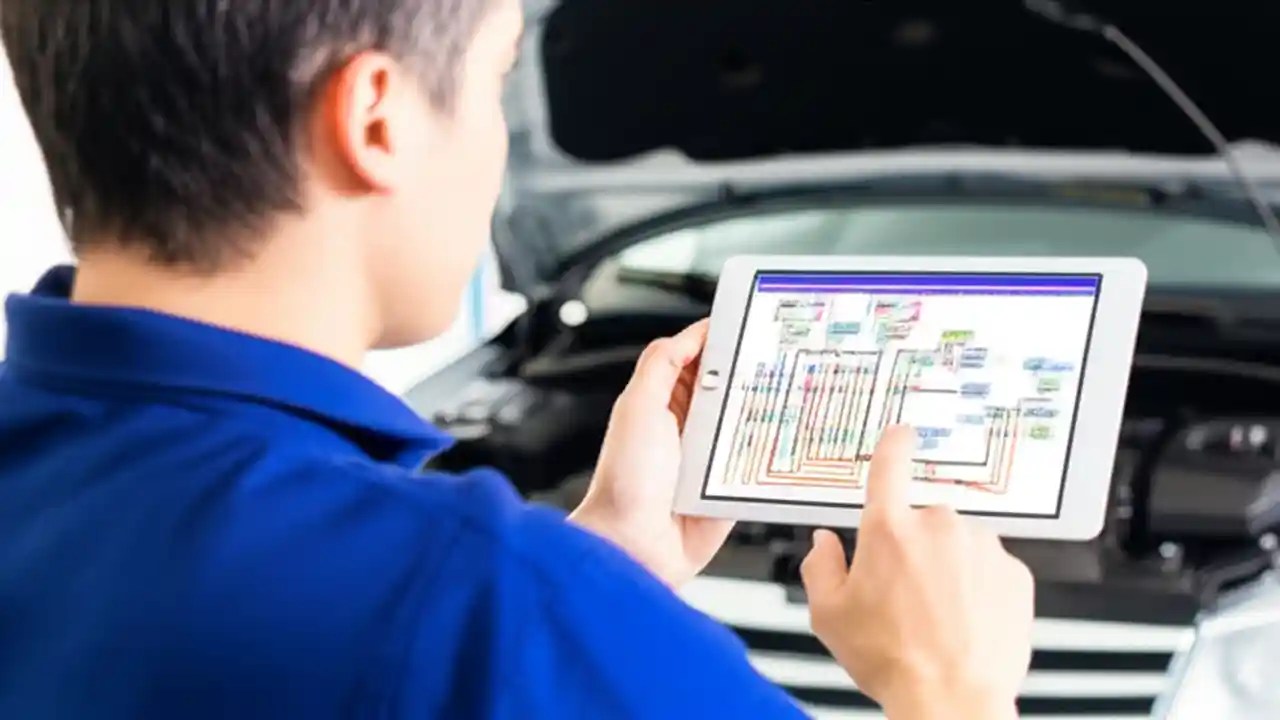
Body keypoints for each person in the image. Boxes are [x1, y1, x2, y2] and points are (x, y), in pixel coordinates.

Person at [0, 1, 1035, 718]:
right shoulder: (492, 606)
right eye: (496, 78)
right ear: (375, 118)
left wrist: (607, 569)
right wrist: (950, 687)